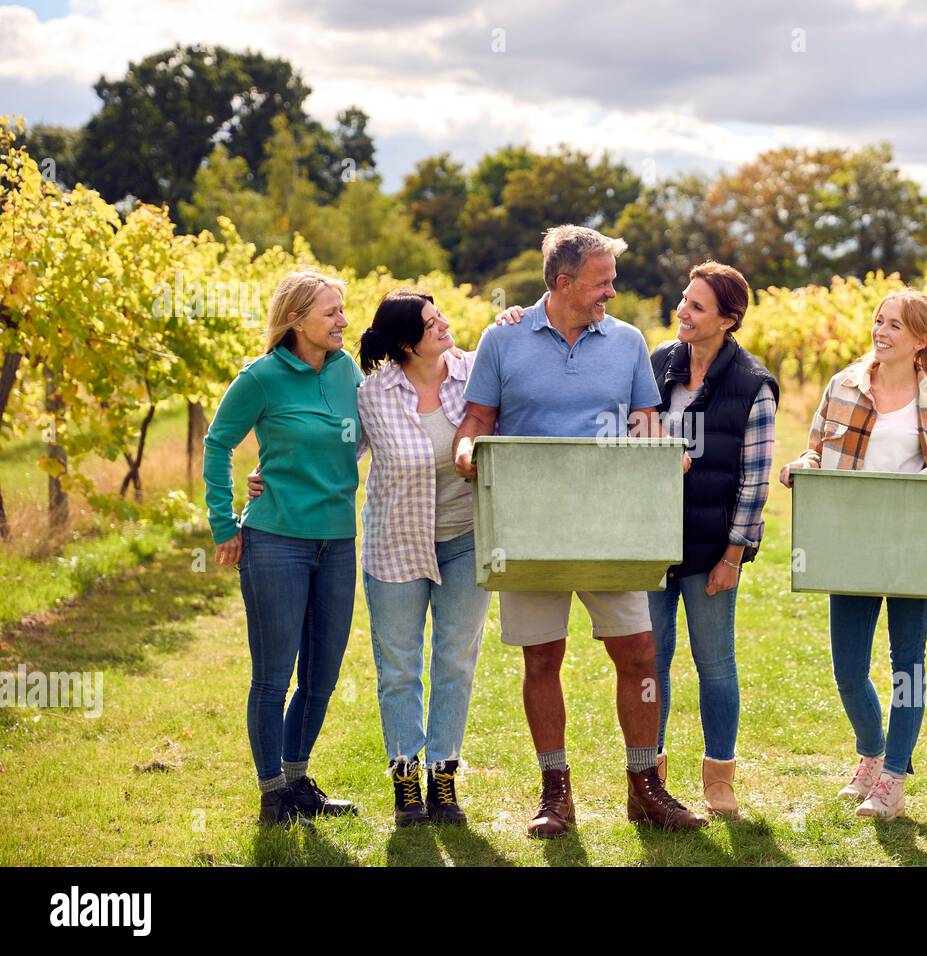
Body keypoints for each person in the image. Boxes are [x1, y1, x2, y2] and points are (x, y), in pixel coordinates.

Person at [453, 224, 706, 837]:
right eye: (601, 283)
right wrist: (466, 451)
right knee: (543, 657)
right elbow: (478, 417)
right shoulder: (502, 339)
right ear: (563, 283)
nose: (612, 294)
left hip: (610, 522)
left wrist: (660, 447)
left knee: (639, 654)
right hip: (528, 523)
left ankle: (646, 787)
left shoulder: (625, 343)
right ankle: (554, 793)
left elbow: (643, 417)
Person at [248, 289, 490, 829]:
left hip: (467, 541)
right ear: (406, 342)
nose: (444, 324)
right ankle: (407, 784)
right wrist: (273, 475)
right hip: (396, 547)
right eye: (431, 322)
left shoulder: (475, 373)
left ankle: (443, 780)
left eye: (440, 315)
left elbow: (514, 355)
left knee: (456, 662)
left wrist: (518, 316)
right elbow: (333, 449)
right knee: (399, 669)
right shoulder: (372, 393)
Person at [780, 290, 927, 821]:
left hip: (913, 543)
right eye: (879, 321)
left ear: (921, 340)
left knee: (908, 667)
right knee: (848, 670)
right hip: (850, 540)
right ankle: (871, 756)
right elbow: (816, 447)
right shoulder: (844, 387)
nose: (882, 331)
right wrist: (797, 465)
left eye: (895, 325)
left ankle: (893, 779)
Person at [204, 270, 363, 826]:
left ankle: (298, 781)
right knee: (274, 675)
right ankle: (272, 794)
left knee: (322, 675)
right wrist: (224, 525)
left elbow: (370, 431)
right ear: (296, 320)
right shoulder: (262, 377)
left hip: (338, 542)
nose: (343, 320)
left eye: (342, 309)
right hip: (275, 542)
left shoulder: (348, 371)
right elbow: (218, 441)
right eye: (330, 312)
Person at [648, 262, 778, 818]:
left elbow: (755, 480)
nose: (683, 311)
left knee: (715, 663)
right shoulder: (657, 364)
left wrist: (734, 555)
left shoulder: (753, 384)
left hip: (711, 552)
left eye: (697, 306)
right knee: (650, 662)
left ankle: (719, 777)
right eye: (684, 299)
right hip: (649, 545)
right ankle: (648, 774)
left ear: (728, 319)